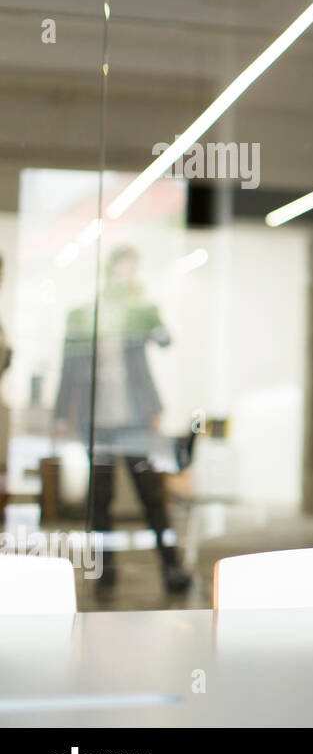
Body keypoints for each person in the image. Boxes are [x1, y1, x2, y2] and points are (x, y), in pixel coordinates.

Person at [54, 245, 191, 596]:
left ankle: (171, 565)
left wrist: (148, 312)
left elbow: (165, 341)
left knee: (151, 495)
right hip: (95, 421)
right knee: (100, 500)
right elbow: (68, 368)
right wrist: (60, 414)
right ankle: (105, 572)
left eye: (132, 268)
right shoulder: (85, 314)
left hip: (135, 421)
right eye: (122, 268)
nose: (126, 274)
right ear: (110, 270)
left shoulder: (140, 311)